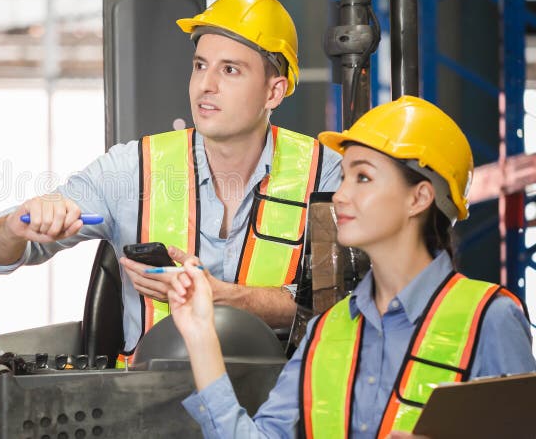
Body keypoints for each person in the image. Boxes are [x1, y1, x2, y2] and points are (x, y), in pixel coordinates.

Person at [0, 0, 342, 363]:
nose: (205, 85)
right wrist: (14, 229)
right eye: (200, 65)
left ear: (274, 92)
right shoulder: (131, 170)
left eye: (229, 70)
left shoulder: (324, 175)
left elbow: (341, 302)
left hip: (274, 406)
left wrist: (222, 297)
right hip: (150, 405)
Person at [167, 95, 536, 438]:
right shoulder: (327, 330)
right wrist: (200, 332)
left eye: (363, 177)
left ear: (419, 197)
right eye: (344, 176)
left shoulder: (490, 318)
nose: (341, 194)